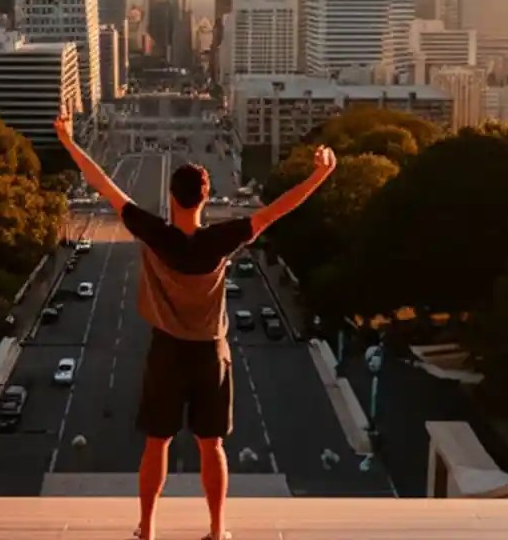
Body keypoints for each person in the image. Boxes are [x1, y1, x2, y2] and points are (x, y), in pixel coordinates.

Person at [54, 109, 337, 540]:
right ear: (205, 198)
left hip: (166, 350)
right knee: (213, 446)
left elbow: (101, 183)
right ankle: (217, 530)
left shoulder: (156, 234)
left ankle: (147, 530)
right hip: (210, 352)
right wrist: (320, 175)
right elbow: (278, 209)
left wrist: (69, 141)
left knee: (156, 444)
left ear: (172, 196)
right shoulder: (220, 241)